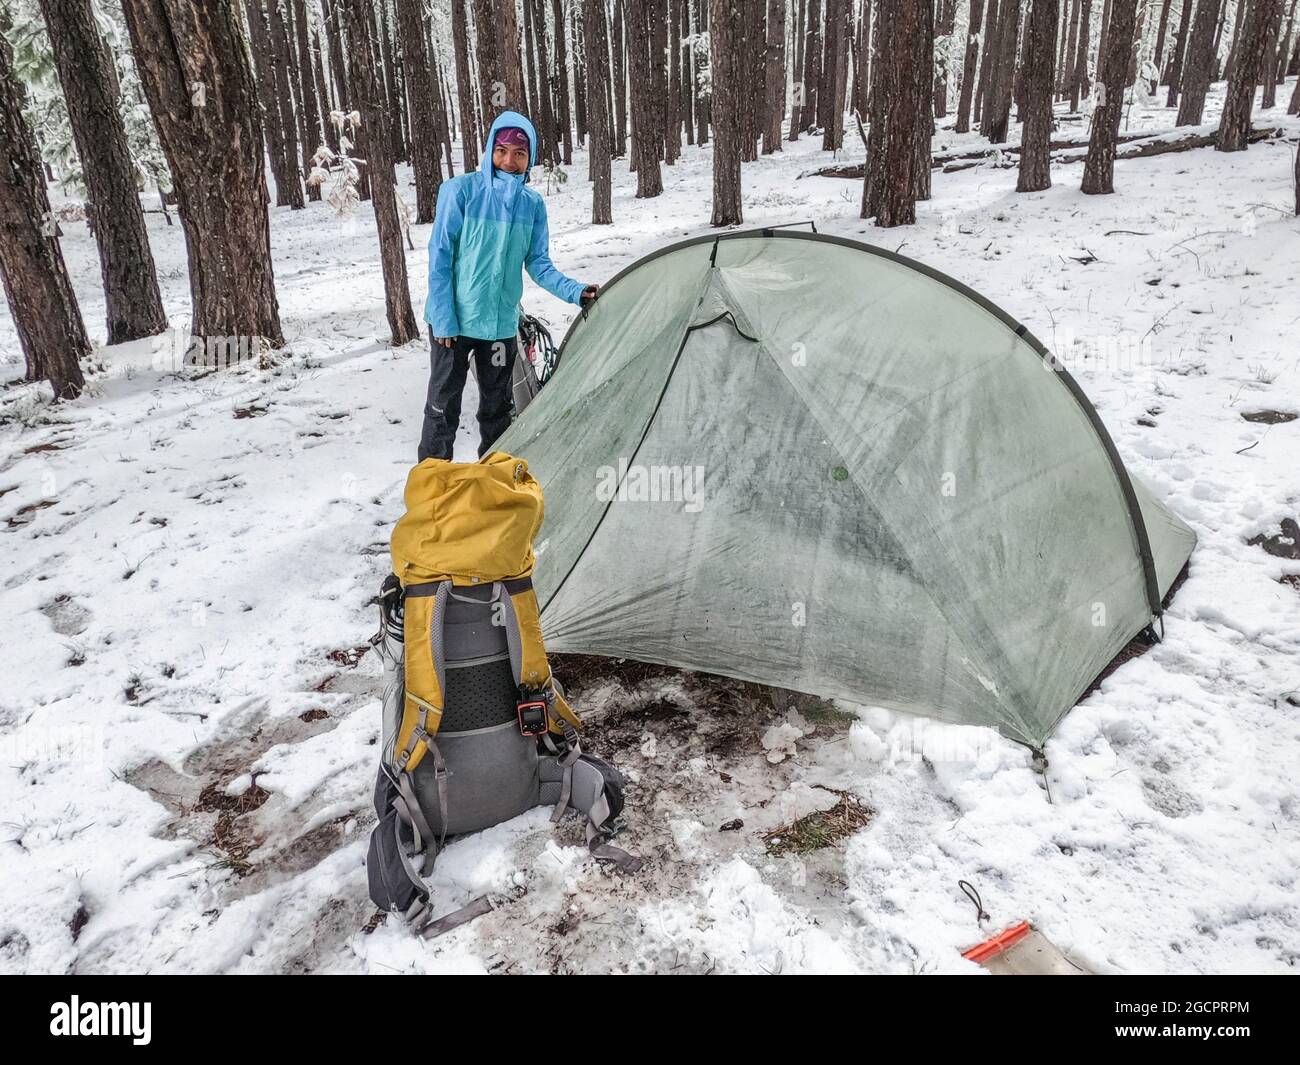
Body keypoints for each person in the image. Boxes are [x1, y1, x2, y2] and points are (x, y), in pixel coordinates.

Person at [420, 109, 598, 462]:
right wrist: (443, 318)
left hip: (499, 327)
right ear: (489, 149)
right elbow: (439, 257)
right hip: (452, 325)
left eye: (520, 153)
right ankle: (431, 493)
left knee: (498, 412)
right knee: (442, 410)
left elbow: (538, 263)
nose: (509, 160)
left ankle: (495, 483)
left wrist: (574, 291)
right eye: (502, 150)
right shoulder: (460, 191)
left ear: (530, 157)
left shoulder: (531, 204)